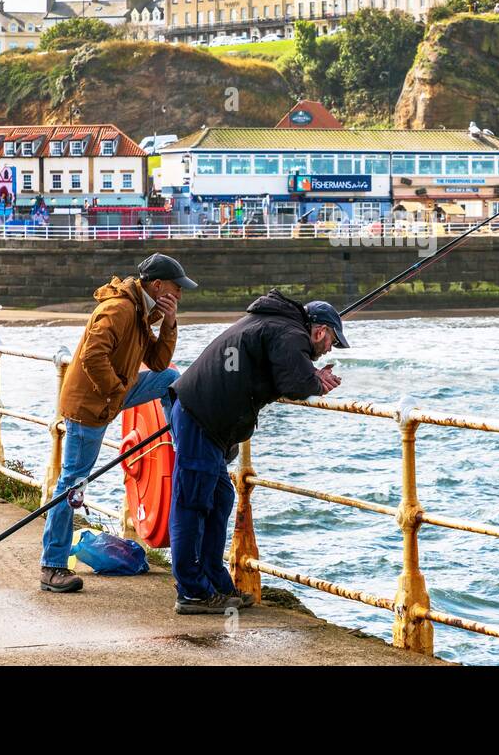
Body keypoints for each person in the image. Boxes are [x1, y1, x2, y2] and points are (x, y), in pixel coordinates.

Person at [167, 290, 345, 615]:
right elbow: (294, 383)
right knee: (191, 503)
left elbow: (281, 372)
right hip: (200, 417)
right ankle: (192, 592)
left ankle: (213, 580)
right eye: (332, 341)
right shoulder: (290, 333)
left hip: (202, 416)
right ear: (320, 331)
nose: (329, 348)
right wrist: (317, 382)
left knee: (220, 497)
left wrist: (309, 374)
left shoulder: (276, 326)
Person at [39, 254, 197, 594]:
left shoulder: (142, 312)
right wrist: (114, 394)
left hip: (114, 393)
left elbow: (157, 362)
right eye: (176, 288)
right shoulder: (121, 310)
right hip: (90, 405)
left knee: (171, 380)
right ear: (158, 285)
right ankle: (51, 565)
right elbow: (91, 355)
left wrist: (169, 323)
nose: (180, 295)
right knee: (73, 484)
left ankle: (181, 441)